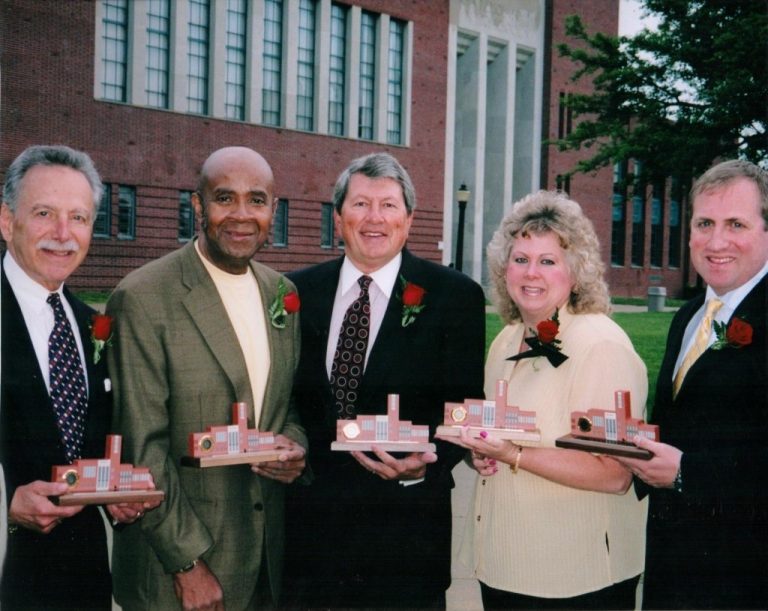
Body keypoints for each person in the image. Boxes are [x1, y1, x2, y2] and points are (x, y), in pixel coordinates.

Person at [106, 146, 307, 610]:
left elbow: (286, 403)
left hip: (265, 565)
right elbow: (141, 446)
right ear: (197, 206)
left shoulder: (282, 293)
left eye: (256, 200)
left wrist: (296, 447)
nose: (241, 215)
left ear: (273, 209)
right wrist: (186, 564)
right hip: (179, 573)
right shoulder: (143, 297)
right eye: (224, 198)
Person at [284, 152, 485, 608]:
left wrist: (428, 459)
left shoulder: (455, 297)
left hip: (406, 538)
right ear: (338, 218)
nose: (374, 218)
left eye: (389, 206)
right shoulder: (295, 293)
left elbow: (463, 408)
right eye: (360, 205)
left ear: (409, 219)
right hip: (310, 538)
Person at [439, 190, 649, 610]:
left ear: (576, 270)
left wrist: (513, 453)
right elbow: (499, 431)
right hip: (503, 564)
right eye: (521, 259)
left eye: (548, 261)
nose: (531, 273)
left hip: (574, 578)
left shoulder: (600, 345)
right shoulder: (505, 341)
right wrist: (480, 453)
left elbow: (614, 473)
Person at [0, 145, 156, 610]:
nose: (63, 235)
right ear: (7, 222)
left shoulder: (94, 327)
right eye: (45, 213)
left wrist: (115, 495)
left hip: (82, 581)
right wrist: (6, 505)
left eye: (80, 218)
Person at [618, 160, 768, 610]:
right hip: (672, 566)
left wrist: (688, 473)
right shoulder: (688, 316)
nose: (716, 241)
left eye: (735, 224)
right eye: (704, 223)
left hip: (745, 578)